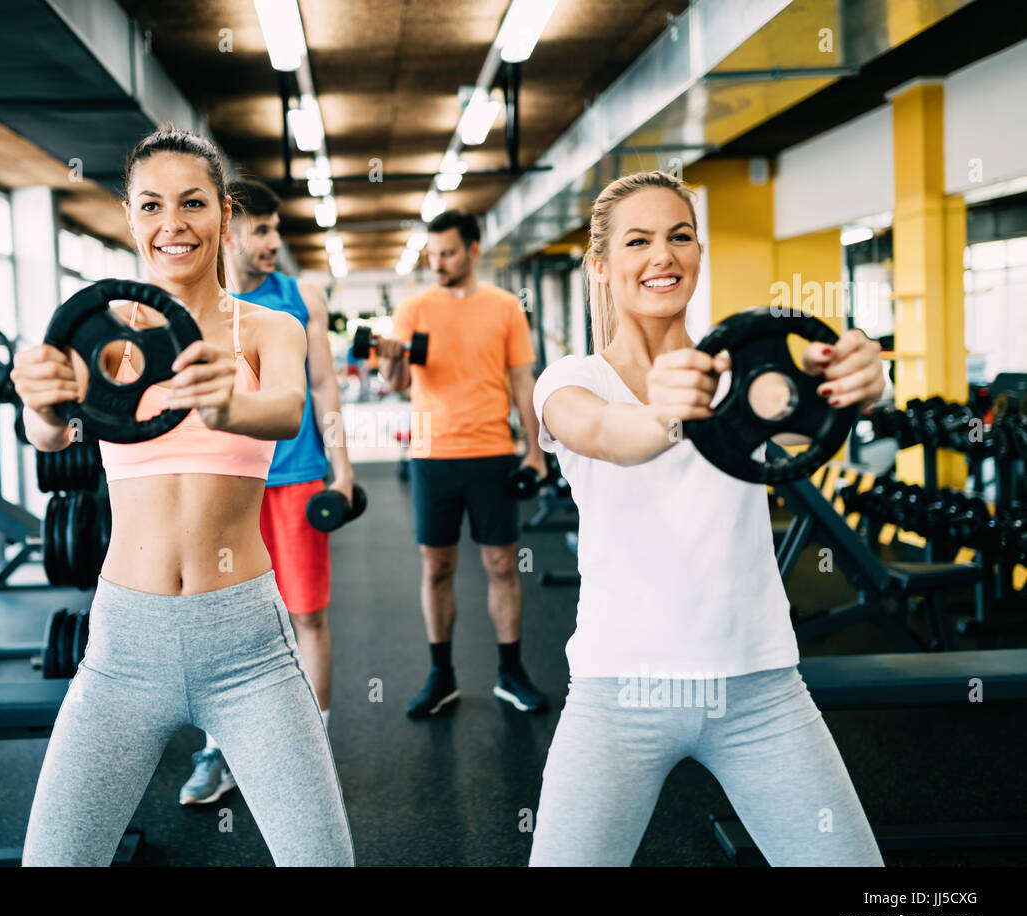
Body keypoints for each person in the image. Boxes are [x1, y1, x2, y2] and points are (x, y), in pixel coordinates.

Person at [14, 125, 353, 866]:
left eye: (194, 203)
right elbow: (51, 435)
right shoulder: (104, 333)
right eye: (152, 206)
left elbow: (287, 408)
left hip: (247, 648)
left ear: (225, 215)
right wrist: (39, 405)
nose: (174, 225)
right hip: (123, 647)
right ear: (131, 217)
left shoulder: (270, 327)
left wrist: (225, 401)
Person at [528, 169, 885, 866]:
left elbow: (821, 410)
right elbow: (606, 434)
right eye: (638, 241)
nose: (662, 256)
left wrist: (865, 383)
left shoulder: (744, 380)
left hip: (759, 690)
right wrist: (666, 410)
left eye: (680, 236)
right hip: (617, 695)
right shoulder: (572, 380)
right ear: (601, 266)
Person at [177, 177, 355, 805]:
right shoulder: (198, 307)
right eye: (262, 229)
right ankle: (218, 751)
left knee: (305, 613)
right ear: (229, 232)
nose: (274, 241)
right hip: (228, 483)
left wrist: (344, 466)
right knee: (221, 620)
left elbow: (326, 388)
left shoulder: (298, 297)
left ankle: (314, 750)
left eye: (279, 228)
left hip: (298, 477)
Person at [378, 210, 549, 718]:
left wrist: (536, 451)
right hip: (433, 456)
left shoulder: (504, 308)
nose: (438, 264)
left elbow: (524, 382)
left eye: (448, 254)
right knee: (436, 568)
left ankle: (510, 673)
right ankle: (442, 676)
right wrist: (390, 356)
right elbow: (397, 382)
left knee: (501, 565)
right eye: (432, 255)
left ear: (474, 250)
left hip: (493, 451)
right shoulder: (413, 308)